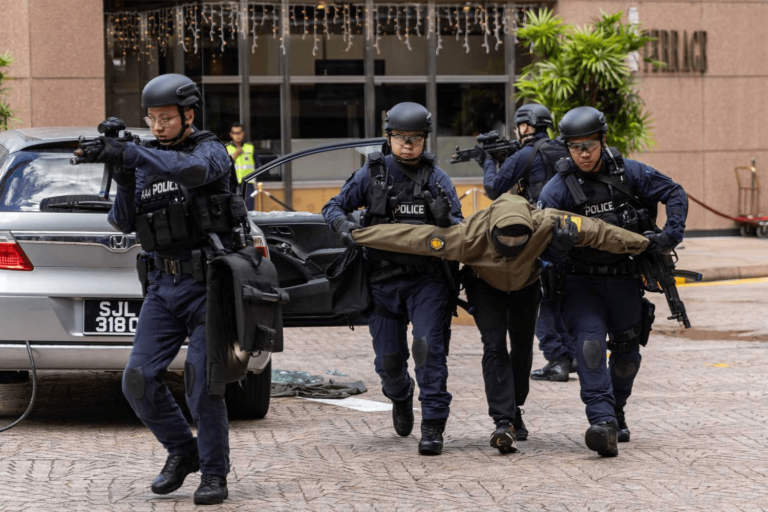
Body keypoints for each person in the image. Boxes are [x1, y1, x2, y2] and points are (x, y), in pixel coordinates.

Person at [348, 193, 651, 454]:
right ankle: (502, 421)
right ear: (492, 232)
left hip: (526, 286)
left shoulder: (547, 222)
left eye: (519, 239)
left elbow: (600, 231)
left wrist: (645, 244)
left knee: (522, 348)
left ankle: (515, 409)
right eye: (505, 239)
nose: (512, 244)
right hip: (485, 286)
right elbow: (411, 237)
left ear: (530, 229)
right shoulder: (467, 235)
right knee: (494, 347)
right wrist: (358, 235)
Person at [84, 73, 244, 505]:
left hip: (208, 284)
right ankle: (182, 450)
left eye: (166, 118)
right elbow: (121, 221)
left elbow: (191, 171)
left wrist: (133, 152)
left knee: (202, 383)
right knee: (137, 379)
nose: (157, 126)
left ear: (188, 115)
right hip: (162, 285)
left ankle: (214, 472)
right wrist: (122, 173)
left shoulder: (210, 151)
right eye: (151, 119)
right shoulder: (145, 158)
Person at [538, 106, 688, 457]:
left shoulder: (629, 172)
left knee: (626, 359)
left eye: (589, 145)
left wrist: (670, 235)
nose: (583, 154)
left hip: (624, 280)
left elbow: (675, 192)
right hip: (580, 283)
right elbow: (541, 252)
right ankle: (602, 421)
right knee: (590, 347)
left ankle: (617, 411)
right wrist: (558, 247)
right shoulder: (556, 189)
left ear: (602, 141)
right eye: (575, 147)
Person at [322, 102, 463, 456]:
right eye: (401, 137)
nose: (408, 145)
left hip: (426, 280)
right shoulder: (372, 174)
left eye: (415, 138)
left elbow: (461, 231)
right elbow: (332, 207)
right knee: (389, 362)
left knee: (428, 351)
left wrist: (446, 219)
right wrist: (344, 227)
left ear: (424, 140)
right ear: (389, 138)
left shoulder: (437, 178)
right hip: (381, 281)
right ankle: (400, 395)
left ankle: (433, 425)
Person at [468, 102, 572, 452]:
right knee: (531, 331)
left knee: (518, 333)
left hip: (532, 246)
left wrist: (487, 160)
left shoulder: (525, 154)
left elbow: (494, 188)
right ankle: (516, 408)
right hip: (567, 239)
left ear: (525, 127)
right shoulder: (563, 149)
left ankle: (517, 406)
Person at [226, 122, 261, 211]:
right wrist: (235, 154)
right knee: (235, 209)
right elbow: (224, 166)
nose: (237, 136)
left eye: (239, 133)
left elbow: (258, 165)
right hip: (233, 183)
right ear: (231, 134)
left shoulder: (250, 147)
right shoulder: (227, 148)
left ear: (243, 133)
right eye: (235, 133)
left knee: (249, 209)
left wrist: (258, 181)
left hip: (248, 183)